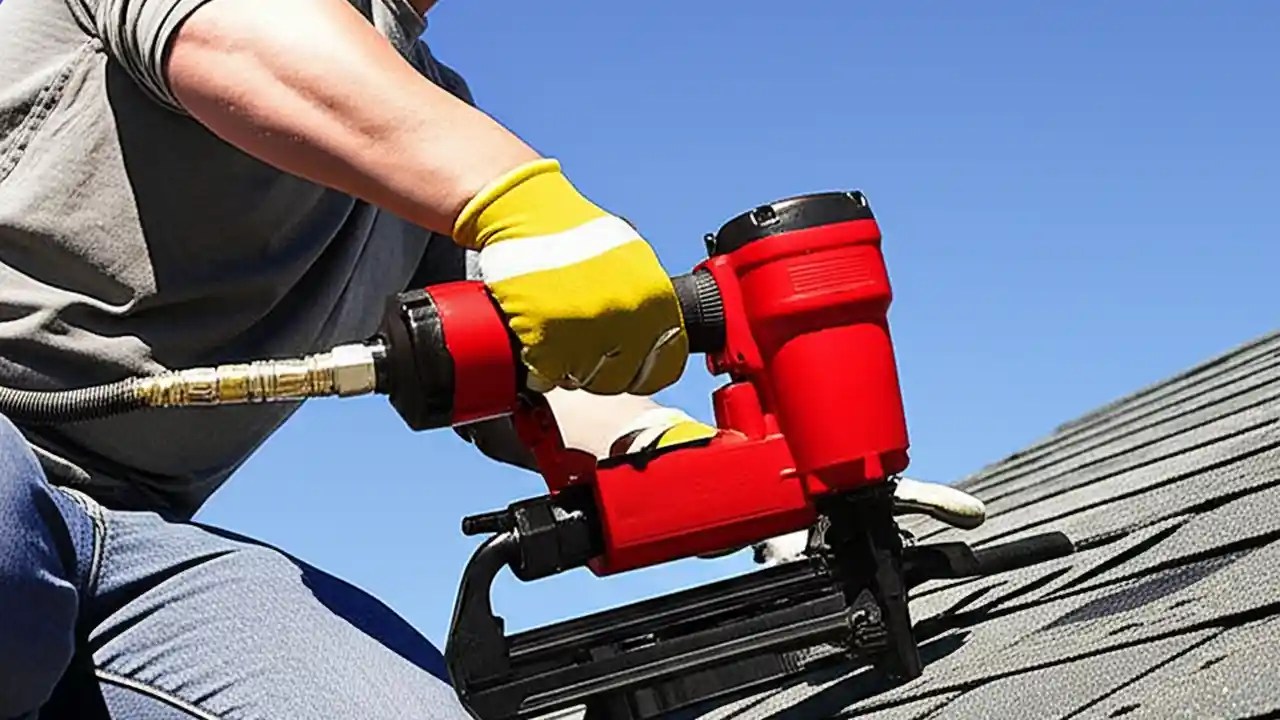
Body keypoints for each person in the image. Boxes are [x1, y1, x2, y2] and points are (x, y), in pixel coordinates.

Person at [0, 1, 986, 718]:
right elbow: (233, 30)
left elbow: (519, 375)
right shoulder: (398, 122)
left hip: (126, 541)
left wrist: (767, 486)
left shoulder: (423, 111)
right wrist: (515, 197)